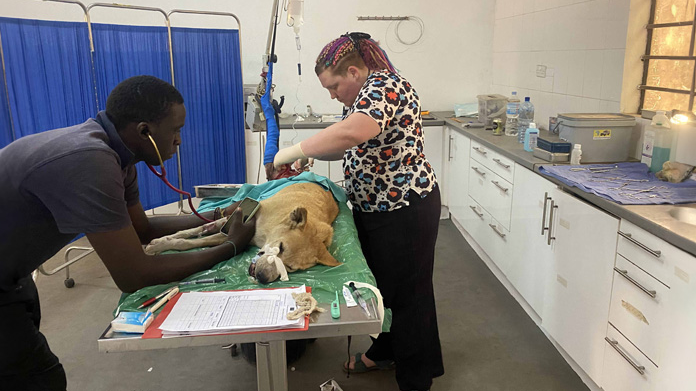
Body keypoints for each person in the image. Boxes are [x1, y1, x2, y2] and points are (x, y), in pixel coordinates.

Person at [0, 75, 256, 390]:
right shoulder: (91, 162)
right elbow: (134, 274)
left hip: (13, 270)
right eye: (175, 131)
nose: (178, 141)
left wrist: (217, 216)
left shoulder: (118, 157)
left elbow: (142, 229)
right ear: (145, 131)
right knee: (40, 379)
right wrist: (230, 246)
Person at [274, 32, 444, 391]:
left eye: (334, 87)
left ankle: (415, 379)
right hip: (377, 207)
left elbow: (352, 133)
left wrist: (294, 150)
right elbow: (349, 144)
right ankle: (385, 352)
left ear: (353, 72)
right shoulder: (362, 94)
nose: (332, 95)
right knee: (384, 288)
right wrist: (311, 156)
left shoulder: (385, 86)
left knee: (408, 296)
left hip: (404, 209)